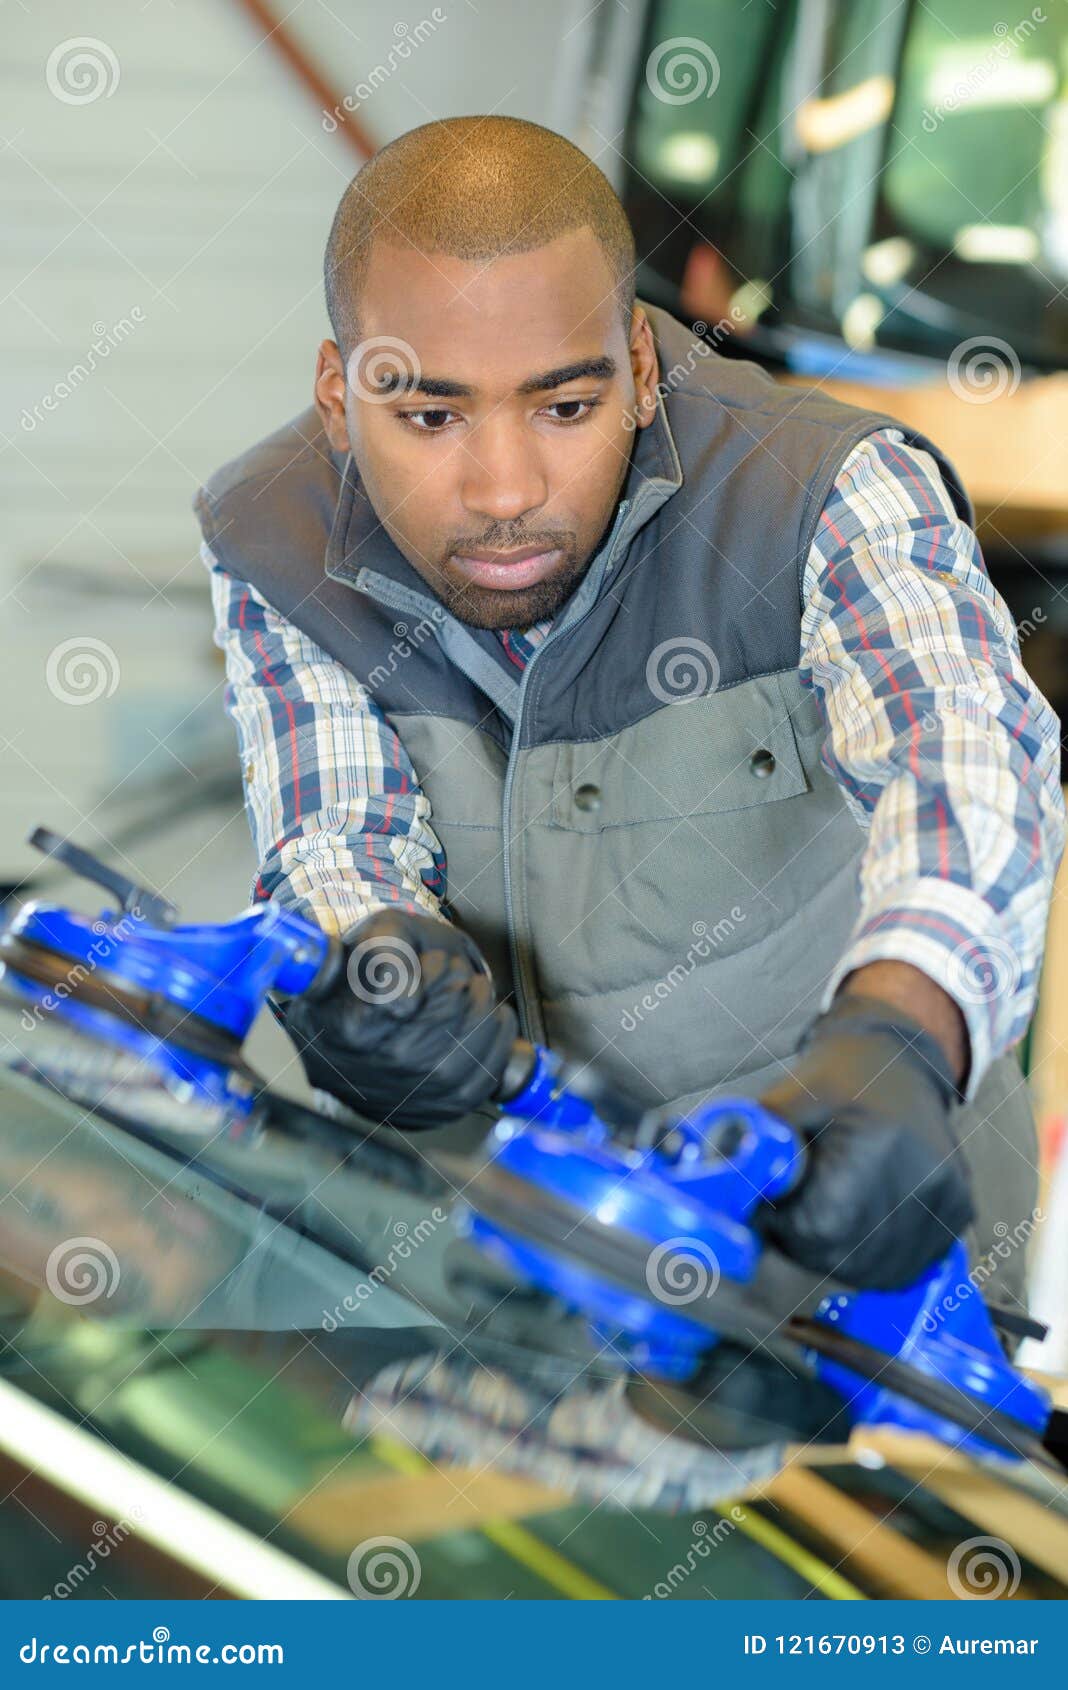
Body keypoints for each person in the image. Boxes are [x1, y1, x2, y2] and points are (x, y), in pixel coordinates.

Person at [195, 116, 1064, 1304]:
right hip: (512, 1267)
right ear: (341, 398)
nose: (506, 493)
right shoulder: (270, 537)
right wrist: (369, 954)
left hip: (854, 1259)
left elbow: (966, 746)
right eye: (431, 417)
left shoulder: (821, 488)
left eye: (564, 406)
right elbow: (332, 836)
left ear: (642, 373)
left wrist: (904, 1032)